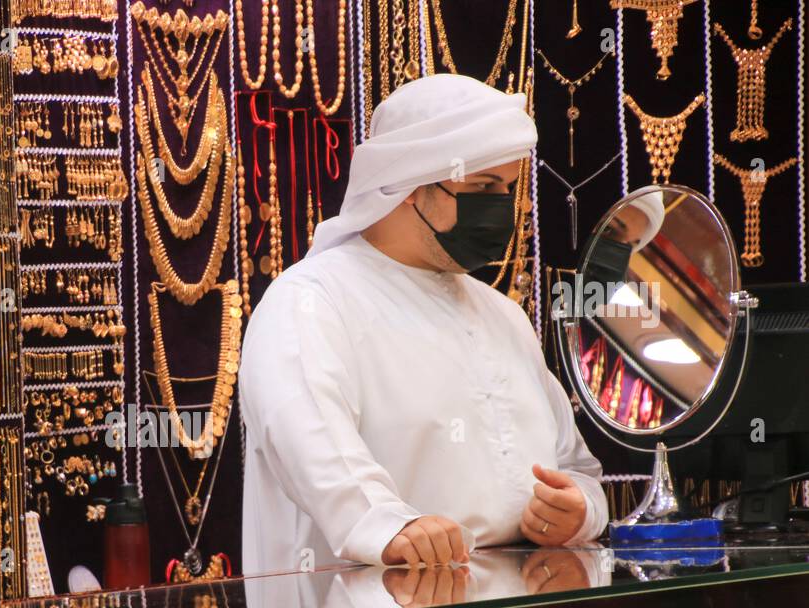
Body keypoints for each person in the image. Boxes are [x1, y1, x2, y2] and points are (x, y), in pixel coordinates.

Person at [239, 74, 609, 575]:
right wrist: (392, 527)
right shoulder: (310, 302)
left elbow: (575, 468)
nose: (503, 208)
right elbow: (308, 444)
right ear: (412, 184)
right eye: (483, 188)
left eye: (507, 188)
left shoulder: (504, 315)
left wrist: (578, 511)